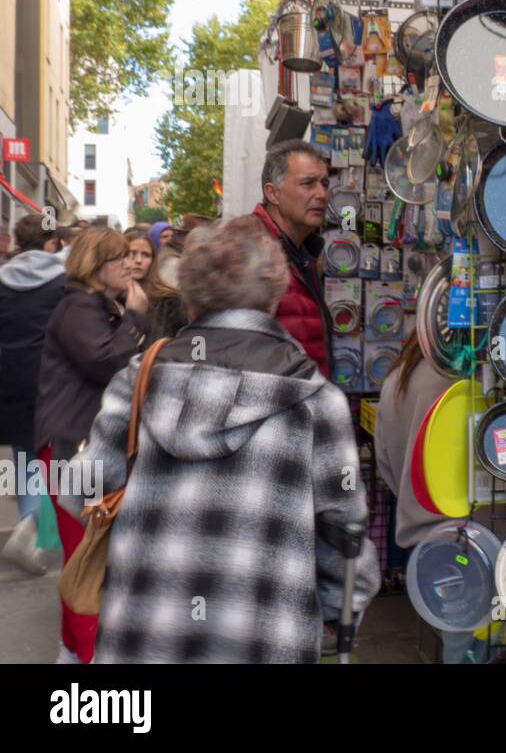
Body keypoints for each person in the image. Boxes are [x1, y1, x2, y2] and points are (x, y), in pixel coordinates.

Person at [66, 216, 379, 663]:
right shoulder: (315, 399)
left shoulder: (139, 380)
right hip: (266, 641)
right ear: (274, 296)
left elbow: (81, 488)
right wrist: (334, 610)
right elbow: (345, 538)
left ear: (191, 298)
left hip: (144, 639)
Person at [34, 226, 148, 663]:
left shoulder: (98, 305)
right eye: (119, 258)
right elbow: (107, 363)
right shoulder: (79, 306)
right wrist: (136, 318)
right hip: (72, 448)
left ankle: (76, 650)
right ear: (95, 266)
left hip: (80, 447)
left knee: (88, 554)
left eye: (133, 256)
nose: (130, 264)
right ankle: (84, 656)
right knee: (86, 558)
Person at [374, 333, 478, 662]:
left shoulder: (399, 377)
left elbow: (385, 462)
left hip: (426, 536)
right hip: (476, 534)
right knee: (478, 637)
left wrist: (412, 501)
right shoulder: (470, 380)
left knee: (459, 636)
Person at [0, 215, 66, 574]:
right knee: (56, 461)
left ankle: (30, 523)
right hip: (49, 382)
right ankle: (34, 527)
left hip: (8, 382)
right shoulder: (63, 283)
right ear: (51, 243)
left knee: (24, 457)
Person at [253, 140, 331, 375]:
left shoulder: (305, 253)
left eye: (325, 184)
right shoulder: (247, 251)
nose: (322, 194)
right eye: (308, 184)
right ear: (273, 193)